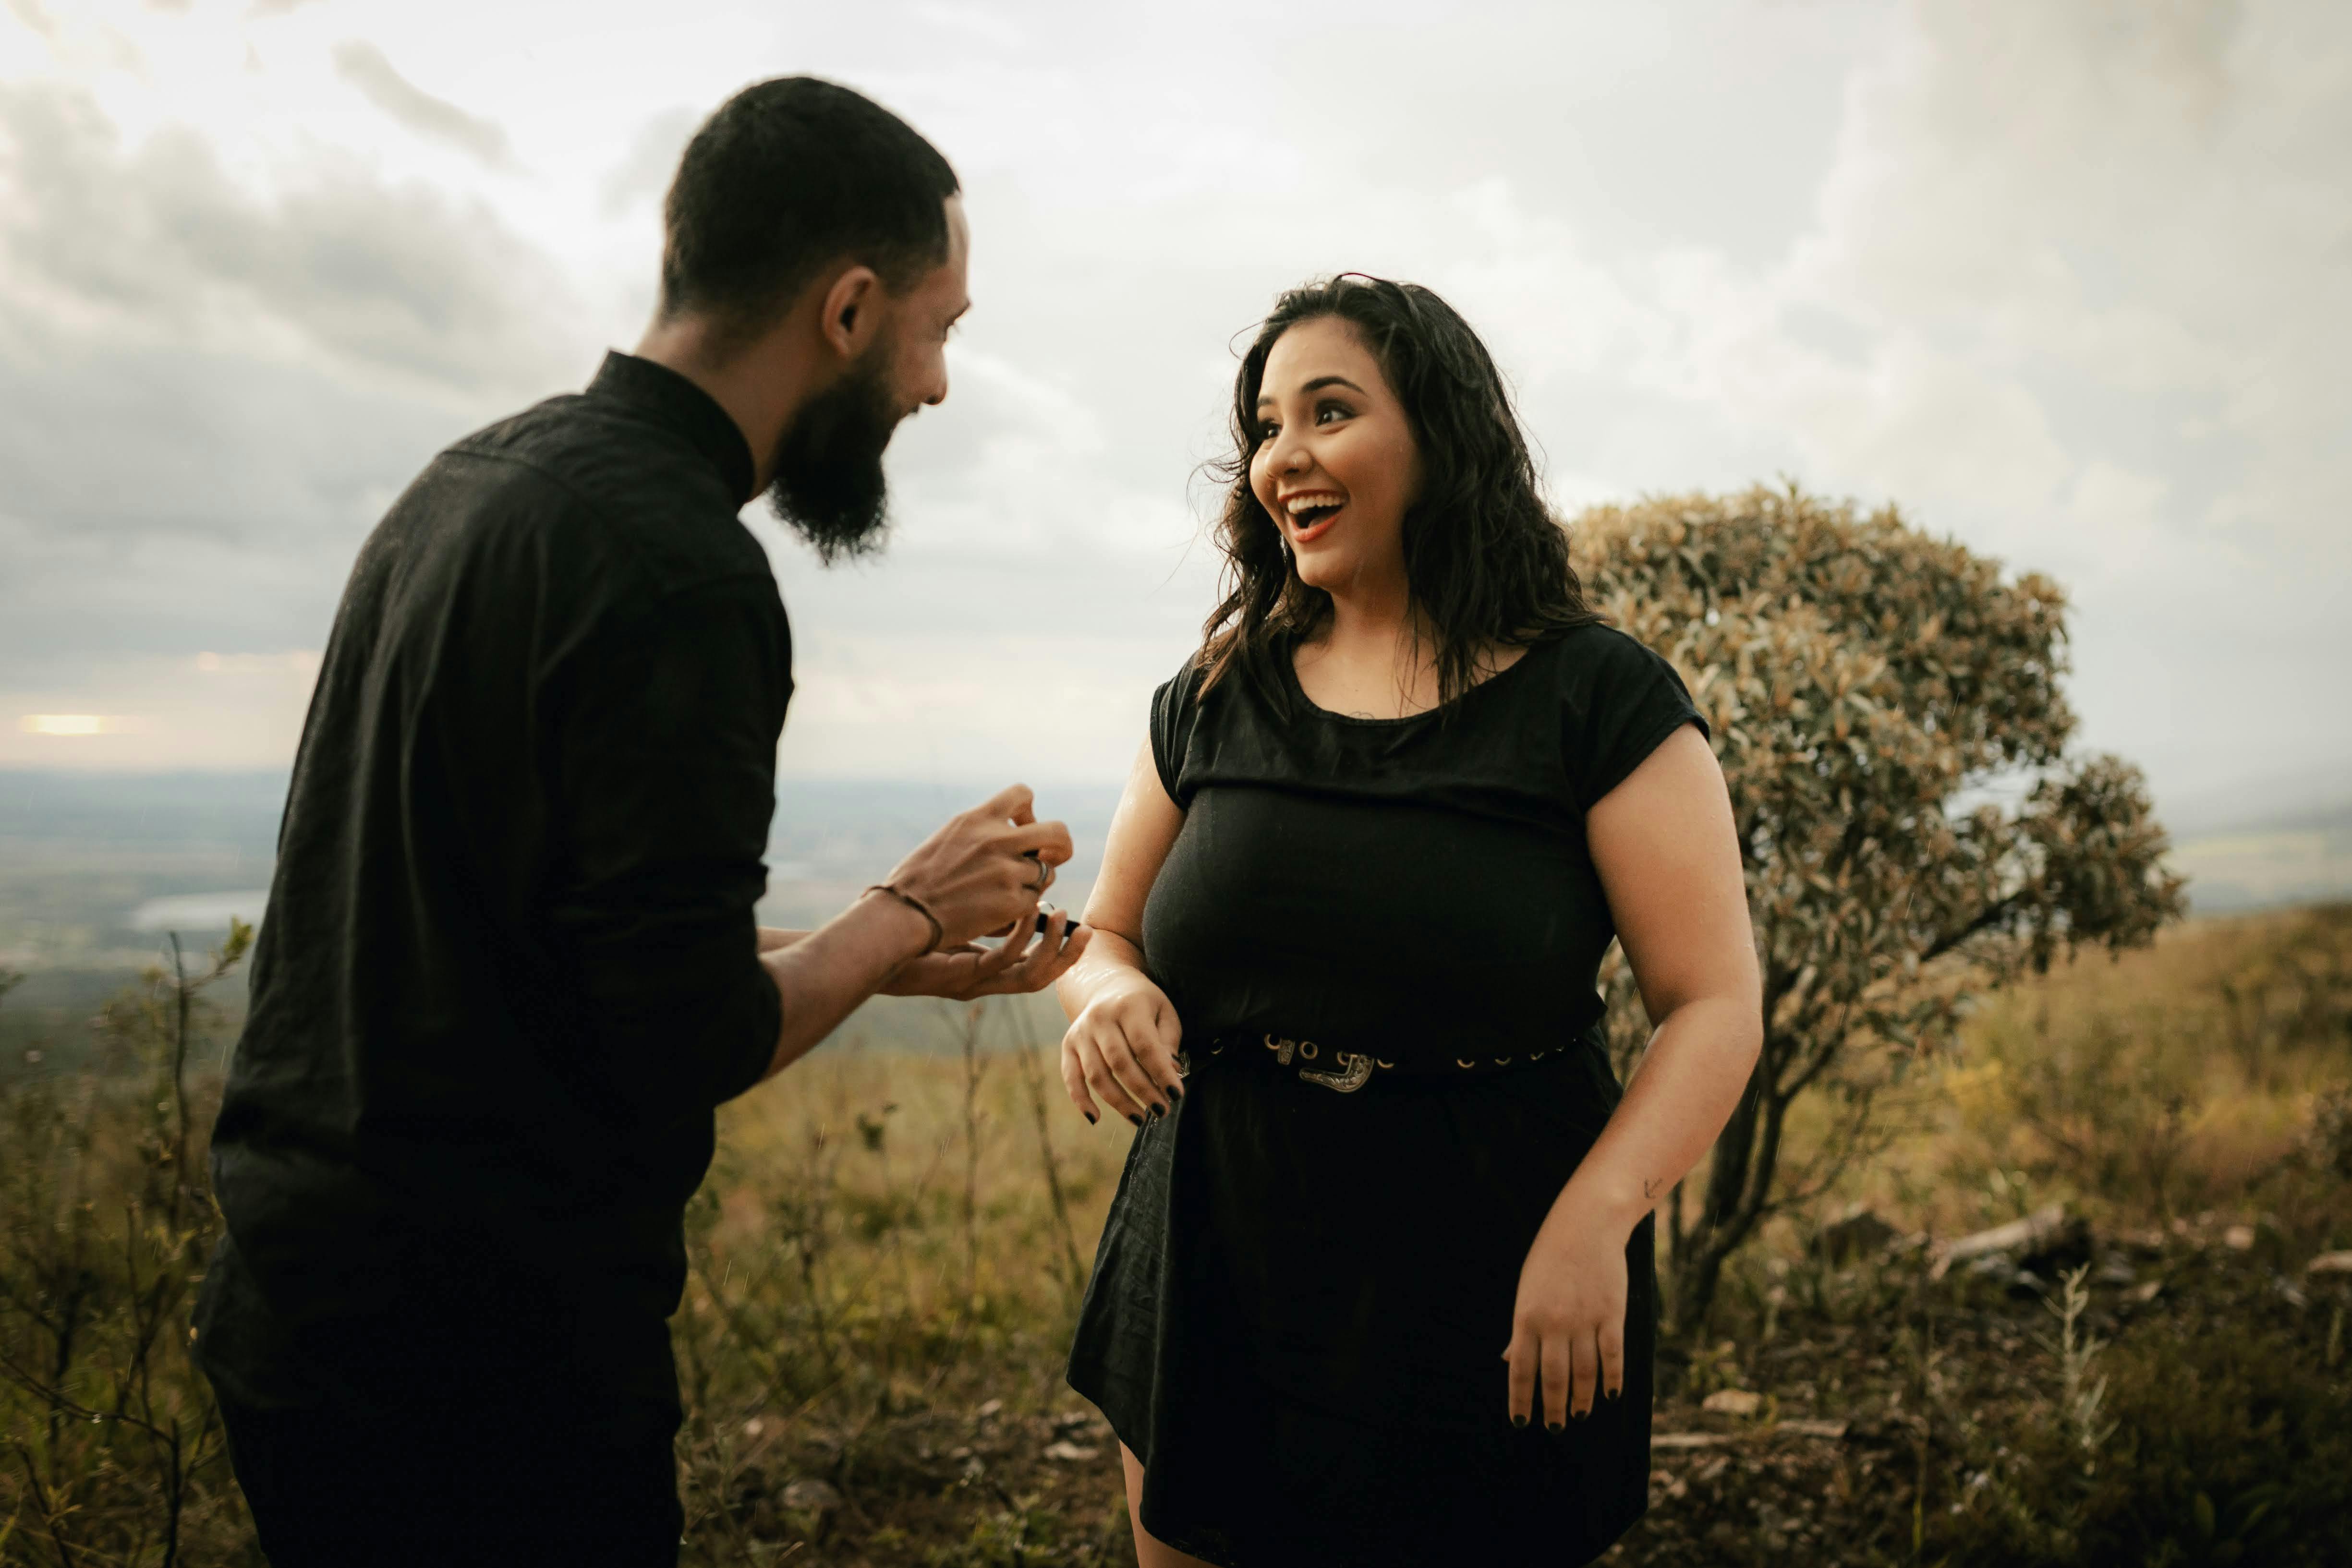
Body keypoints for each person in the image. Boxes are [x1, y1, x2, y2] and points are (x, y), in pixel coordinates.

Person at [192, 77, 1088, 1568]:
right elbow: (679, 1037)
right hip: (485, 1381)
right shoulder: (679, 572)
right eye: (939, 330)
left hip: (303, 1317)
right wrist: (912, 904)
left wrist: (877, 951)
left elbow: (540, 931)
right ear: (849, 310)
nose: (936, 386)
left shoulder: (471, 484)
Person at [1055, 275, 1764, 1567]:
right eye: (1266, 426)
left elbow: (1712, 1002)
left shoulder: (1596, 700)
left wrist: (1597, 1218)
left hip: (1492, 1272)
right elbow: (1105, 934)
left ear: (1441, 436)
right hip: (1214, 1256)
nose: (1284, 455)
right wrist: (1108, 993)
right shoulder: (1216, 693)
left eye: (1329, 411)